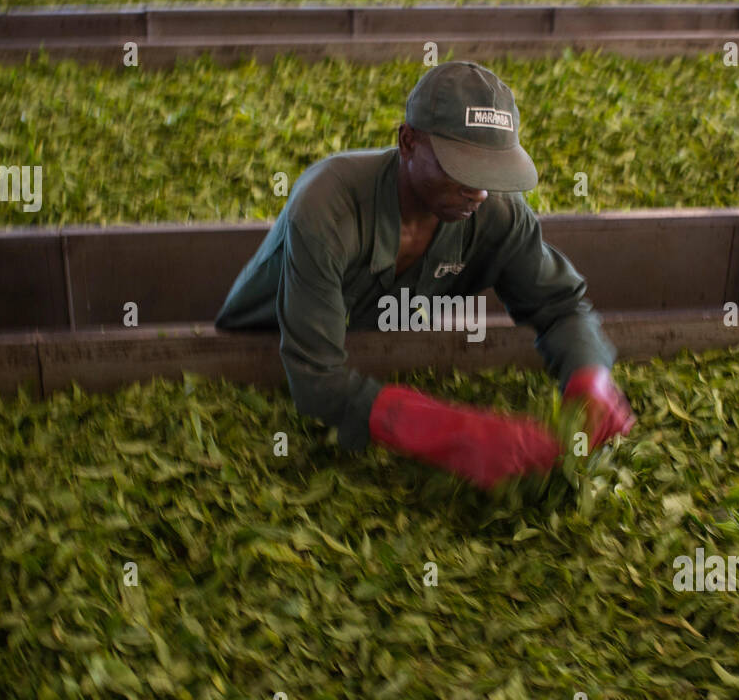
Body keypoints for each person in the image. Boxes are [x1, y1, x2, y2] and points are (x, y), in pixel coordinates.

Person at [217, 60, 634, 488]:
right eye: (463, 168)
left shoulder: (497, 215)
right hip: (256, 360)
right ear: (408, 141)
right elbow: (316, 379)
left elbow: (562, 307)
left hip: (373, 342)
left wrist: (590, 375)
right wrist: (454, 434)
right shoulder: (328, 206)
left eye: (492, 172)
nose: (479, 191)